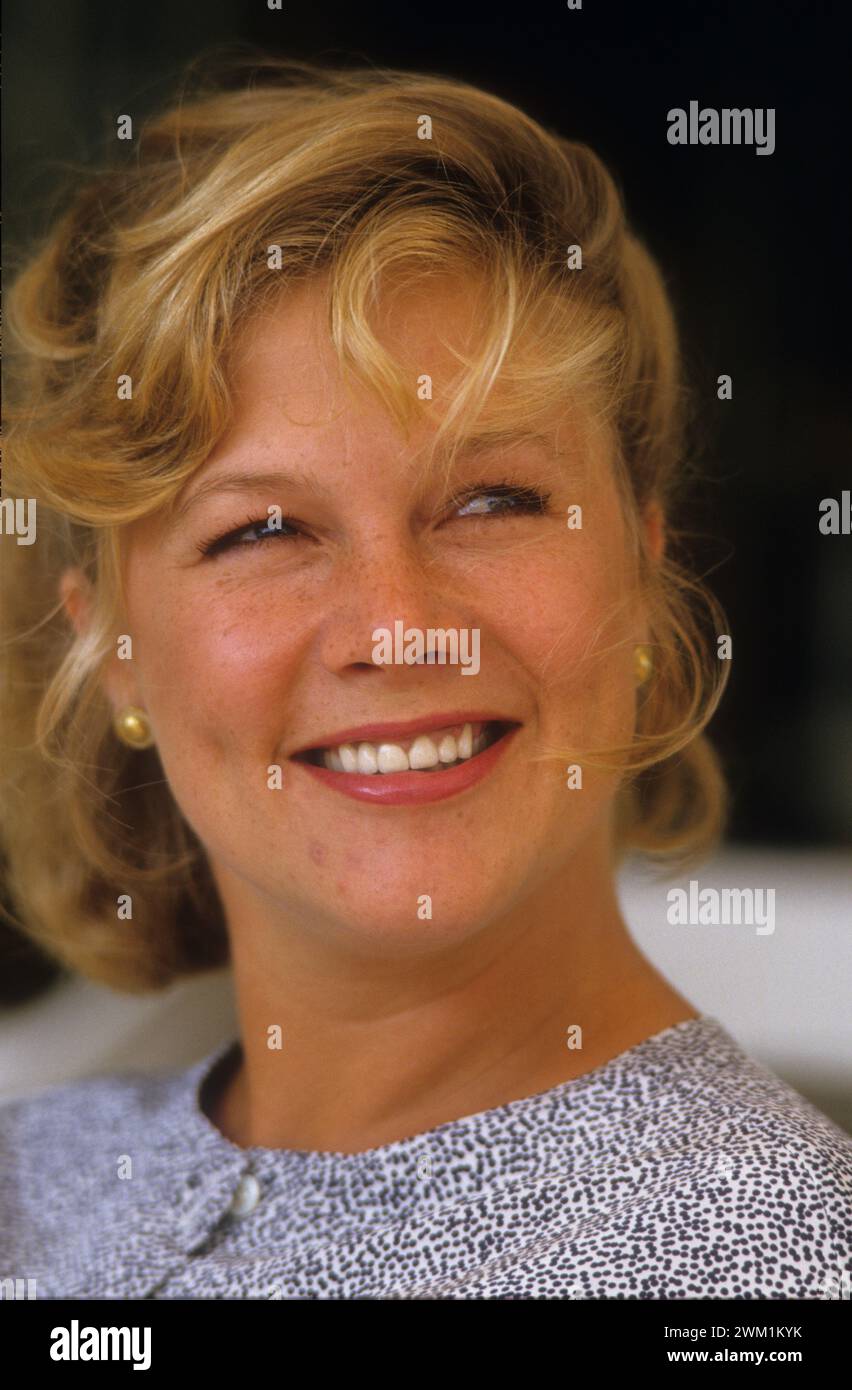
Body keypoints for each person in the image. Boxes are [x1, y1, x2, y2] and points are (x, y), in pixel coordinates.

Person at [1, 54, 849, 1300]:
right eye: (264, 531)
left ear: (645, 577)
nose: (398, 630)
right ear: (111, 646)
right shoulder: (37, 1178)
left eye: (494, 500)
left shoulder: (767, 1263)